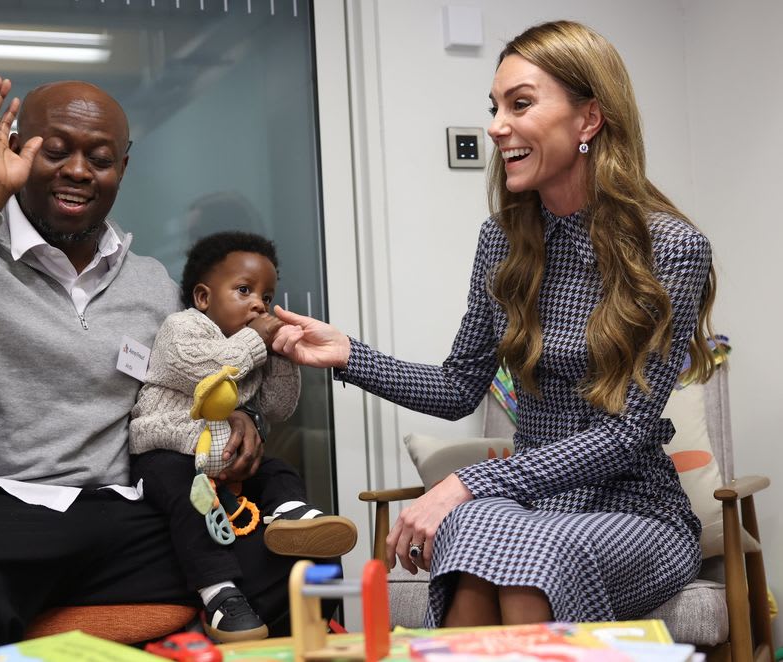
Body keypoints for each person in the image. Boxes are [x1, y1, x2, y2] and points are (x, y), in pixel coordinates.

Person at [0, 76, 307, 661]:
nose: (78, 170)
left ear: (122, 169)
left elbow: (186, 383)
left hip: (116, 511)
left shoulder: (152, 285)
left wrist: (241, 416)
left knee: (288, 564)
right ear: (17, 149)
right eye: (55, 151)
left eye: (100, 159)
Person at [270, 20, 717, 627]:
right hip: (529, 502)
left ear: (589, 119)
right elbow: (460, 386)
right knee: (472, 532)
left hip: (635, 512)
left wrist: (469, 481)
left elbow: (625, 433)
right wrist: (350, 354)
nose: (496, 126)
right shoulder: (503, 242)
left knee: (520, 544)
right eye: (495, 107)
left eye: (520, 104)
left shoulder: (672, 248)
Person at [129, 230, 357, 642]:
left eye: (266, 297)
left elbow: (278, 407)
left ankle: (291, 516)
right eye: (244, 290)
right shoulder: (183, 328)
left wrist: (282, 356)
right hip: (167, 450)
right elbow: (209, 373)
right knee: (188, 497)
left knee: (278, 469)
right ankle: (219, 594)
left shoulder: (252, 347)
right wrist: (258, 340)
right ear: (203, 298)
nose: (259, 305)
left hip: (222, 452)